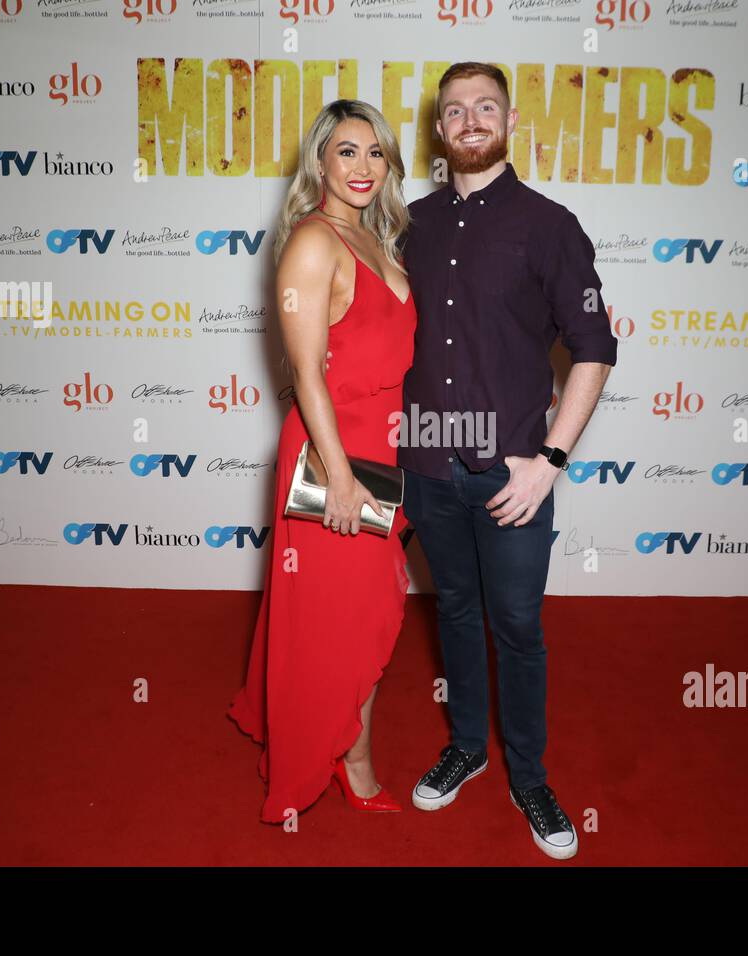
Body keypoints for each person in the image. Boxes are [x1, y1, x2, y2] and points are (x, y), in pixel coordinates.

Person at [399, 63, 617, 859]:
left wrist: (550, 459)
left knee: (517, 627)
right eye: (454, 110)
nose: (469, 119)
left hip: (511, 474)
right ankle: (468, 745)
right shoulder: (406, 224)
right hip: (425, 466)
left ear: (510, 120)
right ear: (439, 129)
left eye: (484, 106)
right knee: (453, 610)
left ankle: (529, 775)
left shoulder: (550, 224)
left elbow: (594, 347)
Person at [228, 99, 417, 823]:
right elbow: (306, 373)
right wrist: (338, 476)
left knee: (365, 611)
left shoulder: (376, 239)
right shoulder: (313, 243)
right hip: (334, 453)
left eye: (375, 153)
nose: (363, 167)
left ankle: (343, 744)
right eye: (346, 151)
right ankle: (346, 760)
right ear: (319, 162)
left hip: (385, 446)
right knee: (348, 618)